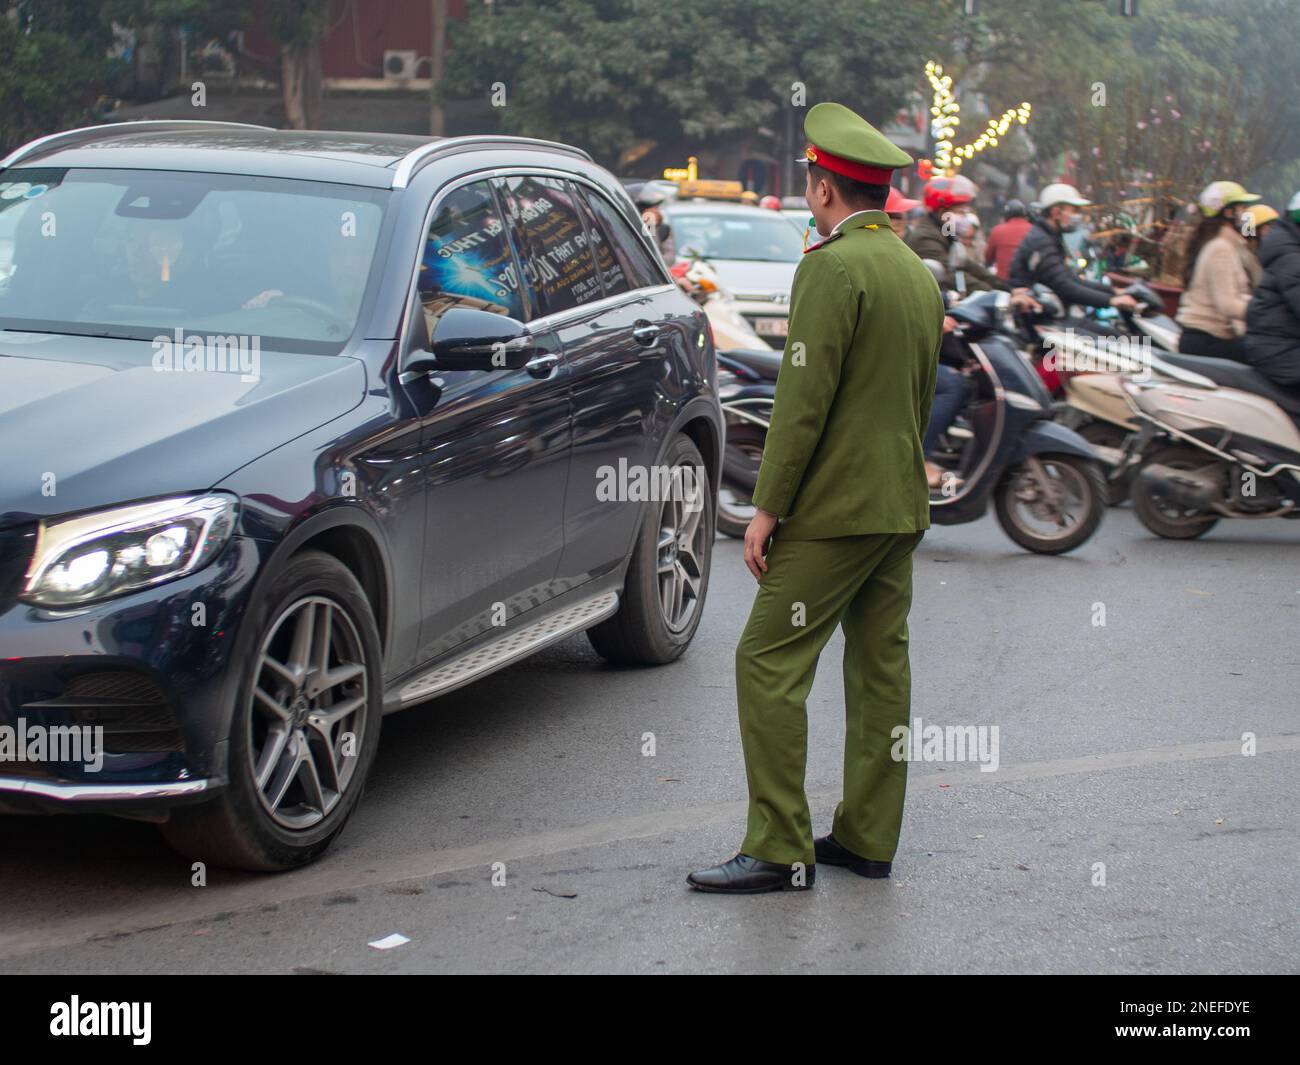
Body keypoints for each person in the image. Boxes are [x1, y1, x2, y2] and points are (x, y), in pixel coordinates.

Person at [687, 102, 942, 893]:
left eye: (809, 178)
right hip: (898, 506)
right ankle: (867, 837)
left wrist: (766, 509)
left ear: (825, 189)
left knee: (766, 659)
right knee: (879, 671)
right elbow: (917, 396)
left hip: (835, 511)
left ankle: (778, 844)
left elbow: (802, 403)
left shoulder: (830, 267)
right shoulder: (916, 273)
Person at [1008, 182, 1138, 314]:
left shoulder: (1050, 236)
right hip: (1038, 314)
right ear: (1056, 212)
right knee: (1108, 335)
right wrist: (1111, 300)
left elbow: (1071, 279)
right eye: (1075, 210)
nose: (1078, 215)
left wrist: (1114, 291)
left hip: (1053, 310)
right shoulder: (1041, 241)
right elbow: (1064, 286)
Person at [1176, 181, 1262, 360]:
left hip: (1214, 337)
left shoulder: (1227, 246)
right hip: (1207, 339)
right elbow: (1228, 304)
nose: (1247, 214)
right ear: (1228, 213)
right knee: (1269, 355)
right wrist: (1266, 312)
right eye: (1242, 208)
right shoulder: (1220, 248)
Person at [907, 175, 1005, 293]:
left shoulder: (946, 233)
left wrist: (1004, 287)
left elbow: (968, 265)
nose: (965, 217)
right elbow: (950, 275)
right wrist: (993, 293)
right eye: (960, 212)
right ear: (943, 212)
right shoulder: (925, 238)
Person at [1243, 191, 1300, 388]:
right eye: (1266, 226)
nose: (1269, 230)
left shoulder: (1269, 250)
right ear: (1257, 229)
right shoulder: (1286, 255)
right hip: (1274, 346)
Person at [984, 198, 1030, 280]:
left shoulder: (997, 230)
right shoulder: (1033, 230)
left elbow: (988, 258)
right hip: (1028, 282)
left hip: (1003, 282)